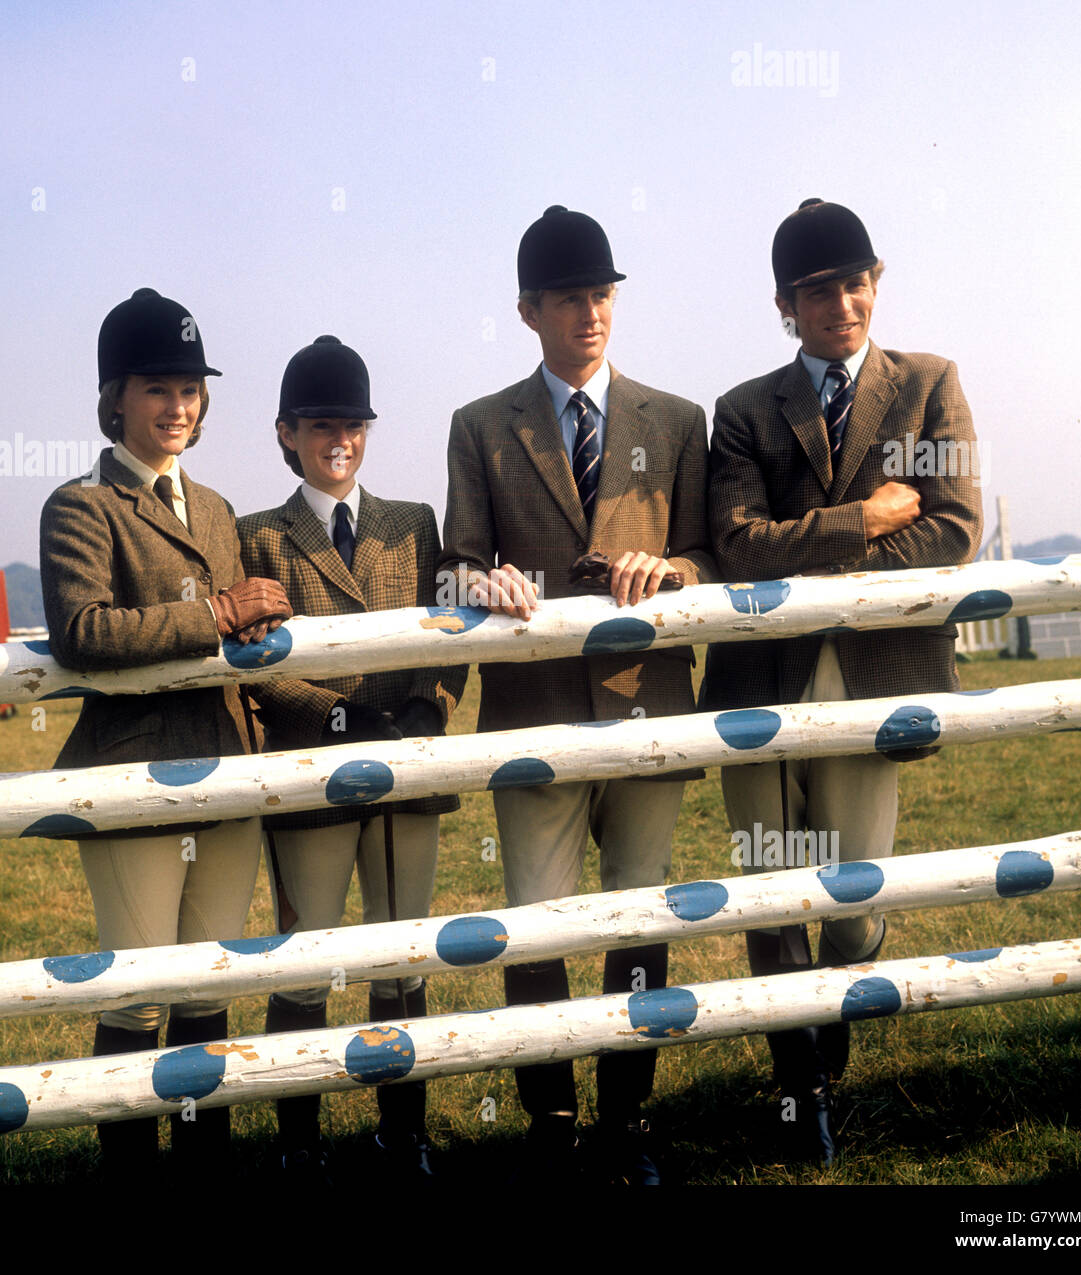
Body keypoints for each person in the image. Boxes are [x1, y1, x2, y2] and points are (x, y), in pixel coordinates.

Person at [701, 199, 984, 1164]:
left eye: (857, 281)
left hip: (876, 674)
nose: (843, 302)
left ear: (877, 283)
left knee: (853, 893)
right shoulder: (741, 410)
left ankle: (832, 1038)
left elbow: (952, 528)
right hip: (760, 681)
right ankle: (801, 1087)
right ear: (786, 304)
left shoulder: (930, 384)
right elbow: (738, 546)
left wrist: (825, 565)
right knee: (773, 891)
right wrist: (864, 519)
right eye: (819, 289)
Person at [438, 206, 714, 1185]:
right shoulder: (480, 428)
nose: (588, 314)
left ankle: (626, 1121)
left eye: (600, 295)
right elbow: (455, 565)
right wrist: (485, 585)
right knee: (537, 923)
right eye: (567, 299)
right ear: (528, 312)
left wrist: (670, 567)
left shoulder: (678, 422)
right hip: (531, 711)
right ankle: (551, 1118)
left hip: (647, 706)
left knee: (638, 917)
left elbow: (711, 553)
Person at [39, 287, 291, 1172]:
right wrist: (218, 610)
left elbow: (233, 638)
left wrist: (252, 623)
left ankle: (203, 1163)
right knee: (137, 991)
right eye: (158, 389)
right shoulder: (80, 505)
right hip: (132, 776)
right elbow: (85, 632)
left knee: (207, 984)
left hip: (226, 768)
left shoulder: (218, 508)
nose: (178, 406)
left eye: (190, 388)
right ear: (116, 398)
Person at [237, 335, 465, 1182]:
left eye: (354, 425)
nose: (341, 440)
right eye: (323, 425)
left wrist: (424, 708)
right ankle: (300, 1139)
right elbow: (261, 669)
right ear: (286, 434)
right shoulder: (257, 534)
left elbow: (451, 633)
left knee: (401, 958)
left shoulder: (413, 524)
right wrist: (340, 717)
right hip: (310, 775)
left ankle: (403, 1129)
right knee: (304, 962)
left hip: (406, 767)